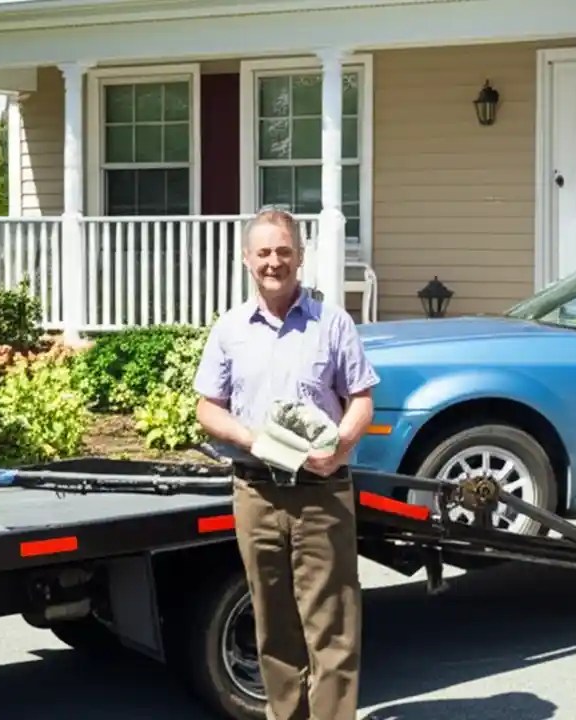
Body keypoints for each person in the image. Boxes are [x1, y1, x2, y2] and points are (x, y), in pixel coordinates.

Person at [193, 207, 379, 720]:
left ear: (299, 257)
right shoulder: (230, 329)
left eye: (284, 251)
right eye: (264, 252)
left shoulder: (331, 322)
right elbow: (207, 406)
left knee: (332, 626)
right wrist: (250, 439)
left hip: (322, 492)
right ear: (246, 260)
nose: (274, 262)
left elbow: (362, 398)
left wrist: (340, 445)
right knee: (273, 625)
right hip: (256, 492)